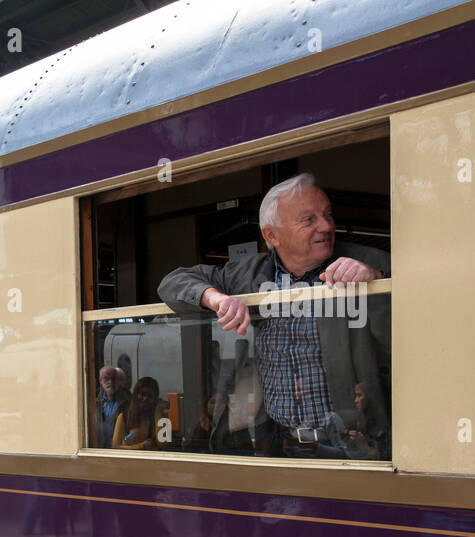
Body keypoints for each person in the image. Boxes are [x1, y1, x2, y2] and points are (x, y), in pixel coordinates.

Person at [158, 172, 390, 459]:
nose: (326, 225)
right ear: (271, 235)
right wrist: (215, 298)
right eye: (309, 220)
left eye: (327, 215)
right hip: (278, 445)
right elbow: (172, 282)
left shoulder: (371, 263)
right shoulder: (247, 275)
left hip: (356, 446)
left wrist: (379, 280)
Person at [112, 376, 170, 450]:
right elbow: (115, 447)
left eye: (150, 396)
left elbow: (164, 444)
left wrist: (158, 412)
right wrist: (141, 446)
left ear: (155, 398)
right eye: (142, 394)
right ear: (135, 395)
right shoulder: (124, 416)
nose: (145, 398)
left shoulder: (162, 415)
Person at [95, 365, 131, 448]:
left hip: (120, 449)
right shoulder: (93, 399)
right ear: (100, 380)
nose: (110, 382)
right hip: (99, 448)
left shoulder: (128, 399)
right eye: (106, 378)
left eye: (113, 379)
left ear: (118, 380)